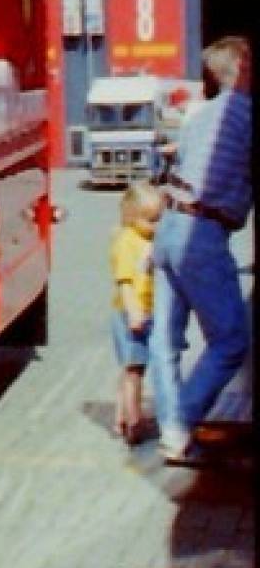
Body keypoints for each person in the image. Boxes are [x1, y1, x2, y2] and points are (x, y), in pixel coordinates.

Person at [147, 35, 252, 466]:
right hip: (202, 233)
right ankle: (180, 423)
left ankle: (173, 434)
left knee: (165, 341)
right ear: (243, 69)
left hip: (169, 225)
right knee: (230, 340)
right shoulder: (247, 114)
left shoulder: (198, 115)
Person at [108, 180, 162, 444]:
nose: (156, 226)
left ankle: (120, 418)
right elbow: (125, 282)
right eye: (150, 220)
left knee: (130, 369)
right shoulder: (127, 242)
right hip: (131, 315)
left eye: (159, 219)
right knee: (134, 371)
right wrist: (134, 313)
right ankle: (134, 422)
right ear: (131, 217)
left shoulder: (148, 239)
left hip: (147, 311)